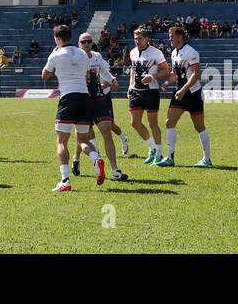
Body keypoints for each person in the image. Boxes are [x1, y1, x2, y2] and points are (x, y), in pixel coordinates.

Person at [43, 24, 102, 191]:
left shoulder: (57, 54)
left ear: (58, 39)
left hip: (68, 98)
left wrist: (52, 55)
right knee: (83, 141)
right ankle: (96, 157)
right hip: (84, 98)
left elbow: (45, 75)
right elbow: (86, 75)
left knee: (61, 141)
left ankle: (65, 180)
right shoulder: (83, 54)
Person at [73, 32, 127, 181]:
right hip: (82, 102)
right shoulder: (75, 58)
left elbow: (105, 72)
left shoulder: (97, 56)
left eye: (89, 41)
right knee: (83, 137)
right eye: (83, 42)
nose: (86, 44)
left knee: (107, 132)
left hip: (98, 99)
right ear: (79, 44)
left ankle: (115, 171)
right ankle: (76, 159)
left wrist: (113, 80)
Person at [157, 25, 211, 167]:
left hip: (193, 94)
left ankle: (207, 159)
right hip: (179, 93)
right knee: (169, 122)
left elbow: (195, 74)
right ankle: (170, 158)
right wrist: (168, 82)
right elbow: (175, 73)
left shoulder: (191, 52)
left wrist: (184, 89)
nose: (170, 38)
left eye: (172, 36)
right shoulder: (174, 52)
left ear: (180, 37)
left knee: (199, 126)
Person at [127, 27, 170, 164]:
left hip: (151, 91)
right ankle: (152, 148)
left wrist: (152, 77)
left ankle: (158, 153)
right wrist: (130, 84)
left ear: (147, 39)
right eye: (135, 38)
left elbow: (166, 70)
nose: (137, 41)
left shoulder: (156, 53)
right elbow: (133, 69)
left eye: (139, 38)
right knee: (134, 123)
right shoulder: (133, 52)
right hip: (136, 91)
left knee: (153, 124)